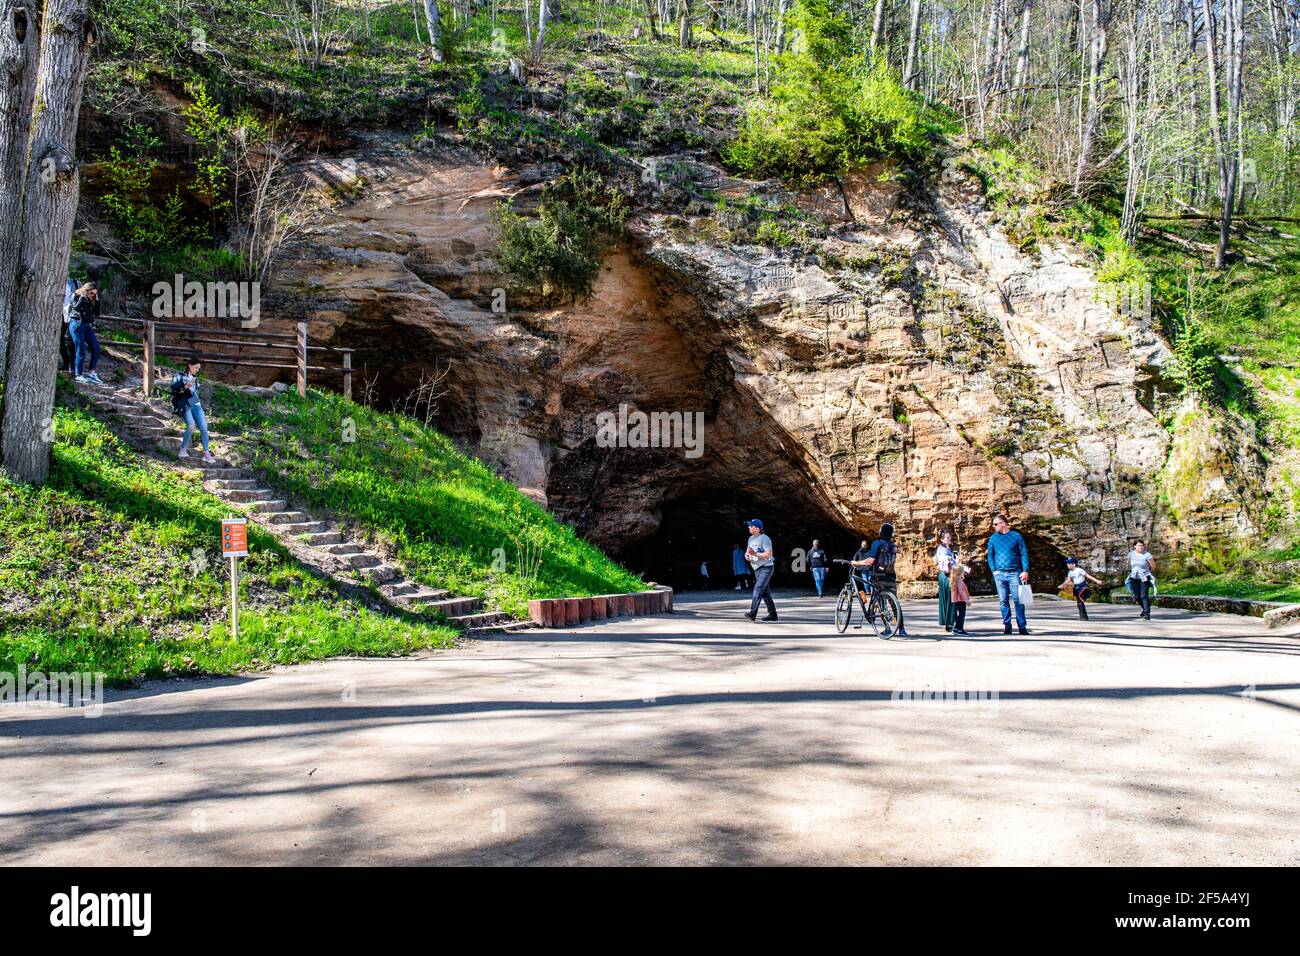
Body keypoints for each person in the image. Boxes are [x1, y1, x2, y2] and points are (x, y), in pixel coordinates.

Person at [850, 523, 908, 636]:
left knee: (881, 603)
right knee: (894, 603)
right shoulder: (892, 545)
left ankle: (887, 628)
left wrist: (857, 563)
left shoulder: (877, 543)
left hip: (878, 577)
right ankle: (901, 630)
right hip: (891, 577)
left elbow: (870, 561)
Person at [987, 514, 1031, 635]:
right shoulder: (993, 538)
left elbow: (1024, 554)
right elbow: (990, 555)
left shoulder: (1016, 537)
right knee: (1003, 601)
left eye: (996, 524)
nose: (994, 526)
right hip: (999, 574)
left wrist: (1025, 570)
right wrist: (994, 570)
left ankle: (1022, 626)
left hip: (1014, 573)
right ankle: (1007, 626)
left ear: (1003, 524)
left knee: (1018, 600)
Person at [173, 361, 216, 463]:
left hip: (195, 402)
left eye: (198, 368)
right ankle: (183, 450)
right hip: (184, 402)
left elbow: (194, 393)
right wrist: (186, 386)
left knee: (204, 427)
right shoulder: (179, 375)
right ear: (189, 365)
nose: (197, 370)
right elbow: (174, 390)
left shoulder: (195, 379)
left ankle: (206, 453)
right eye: (196, 367)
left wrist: (192, 385)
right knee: (191, 426)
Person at [743, 518, 777, 622]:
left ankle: (752, 613)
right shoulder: (751, 539)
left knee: (758, 589)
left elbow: (768, 555)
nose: (748, 527)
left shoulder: (765, 539)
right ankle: (773, 614)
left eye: (751, 525)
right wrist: (747, 556)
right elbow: (747, 553)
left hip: (766, 568)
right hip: (757, 569)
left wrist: (754, 554)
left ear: (757, 528)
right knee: (765, 592)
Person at [68, 282, 103, 383]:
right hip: (77, 324)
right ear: (86, 290)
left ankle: (92, 373)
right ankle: (78, 374)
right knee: (81, 349)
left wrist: (97, 300)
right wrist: (82, 297)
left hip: (87, 326)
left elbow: (97, 313)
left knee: (96, 347)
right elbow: (76, 308)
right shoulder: (76, 296)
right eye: (92, 293)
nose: (93, 295)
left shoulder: (91, 299)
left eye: (95, 294)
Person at [1059, 557, 1104, 621]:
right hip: (1076, 588)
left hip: (1082, 587)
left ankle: (1083, 616)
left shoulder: (1079, 570)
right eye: (1067, 563)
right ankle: (1083, 616)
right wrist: (1063, 584)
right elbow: (1068, 580)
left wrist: (1097, 581)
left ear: (1074, 564)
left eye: (1069, 563)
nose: (1067, 565)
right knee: (1079, 603)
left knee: (1080, 602)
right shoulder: (1070, 572)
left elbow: (1088, 576)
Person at [934, 529, 958, 633]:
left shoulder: (946, 548)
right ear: (942, 539)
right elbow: (944, 562)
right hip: (946, 575)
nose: (949, 539)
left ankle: (949, 622)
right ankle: (949, 623)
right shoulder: (942, 549)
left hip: (946, 575)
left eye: (950, 537)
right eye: (947, 537)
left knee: (949, 599)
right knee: (950, 599)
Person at [1127, 540, 1157, 620]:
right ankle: (1145, 608)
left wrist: (1147, 573)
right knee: (1137, 596)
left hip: (1144, 577)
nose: (1140, 547)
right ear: (1135, 546)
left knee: (1144, 596)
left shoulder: (1147, 555)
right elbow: (1129, 564)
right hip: (1134, 576)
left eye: (1142, 545)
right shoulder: (1131, 554)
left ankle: (1147, 614)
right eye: (1139, 545)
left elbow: (1153, 566)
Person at [59, 277, 77, 373]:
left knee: (71, 340)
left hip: (71, 315)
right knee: (59, 339)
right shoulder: (55, 280)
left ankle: (72, 366)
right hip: (60, 315)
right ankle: (66, 363)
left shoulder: (75, 282)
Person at [950, 555, 971, 635]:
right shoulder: (959, 580)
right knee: (962, 614)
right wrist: (966, 600)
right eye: (963, 571)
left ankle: (956, 628)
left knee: (960, 614)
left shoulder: (954, 578)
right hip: (960, 600)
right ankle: (959, 628)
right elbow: (961, 591)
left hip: (956, 600)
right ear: (960, 572)